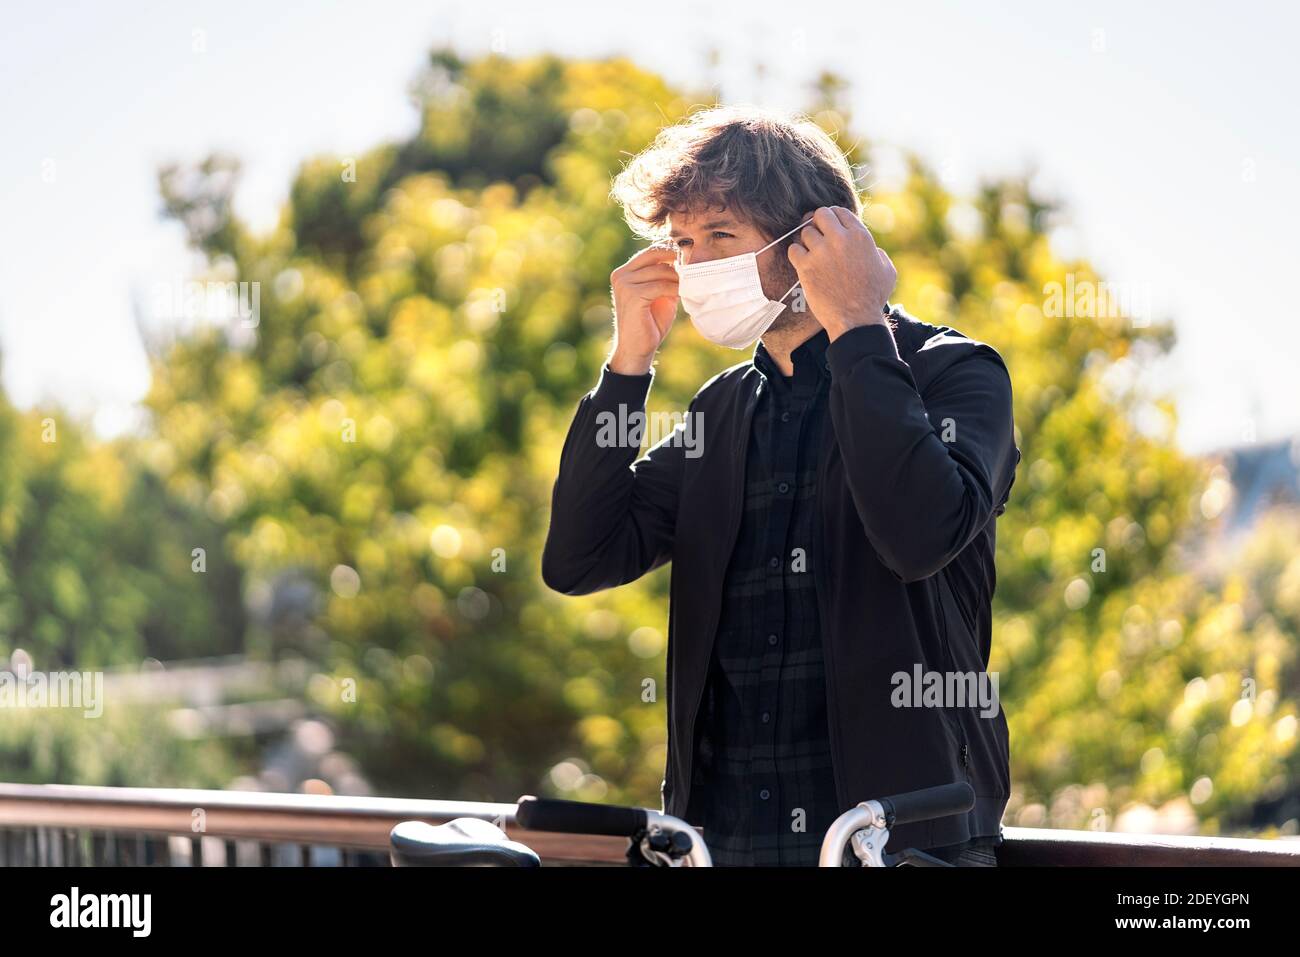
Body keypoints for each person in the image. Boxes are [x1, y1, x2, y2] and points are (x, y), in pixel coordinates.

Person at [542, 106, 1019, 867]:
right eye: (683, 243)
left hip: (896, 844)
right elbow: (579, 556)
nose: (694, 266)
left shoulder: (955, 373)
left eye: (721, 238)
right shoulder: (720, 411)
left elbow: (918, 535)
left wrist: (858, 321)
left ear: (814, 240)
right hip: (723, 846)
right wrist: (627, 367)